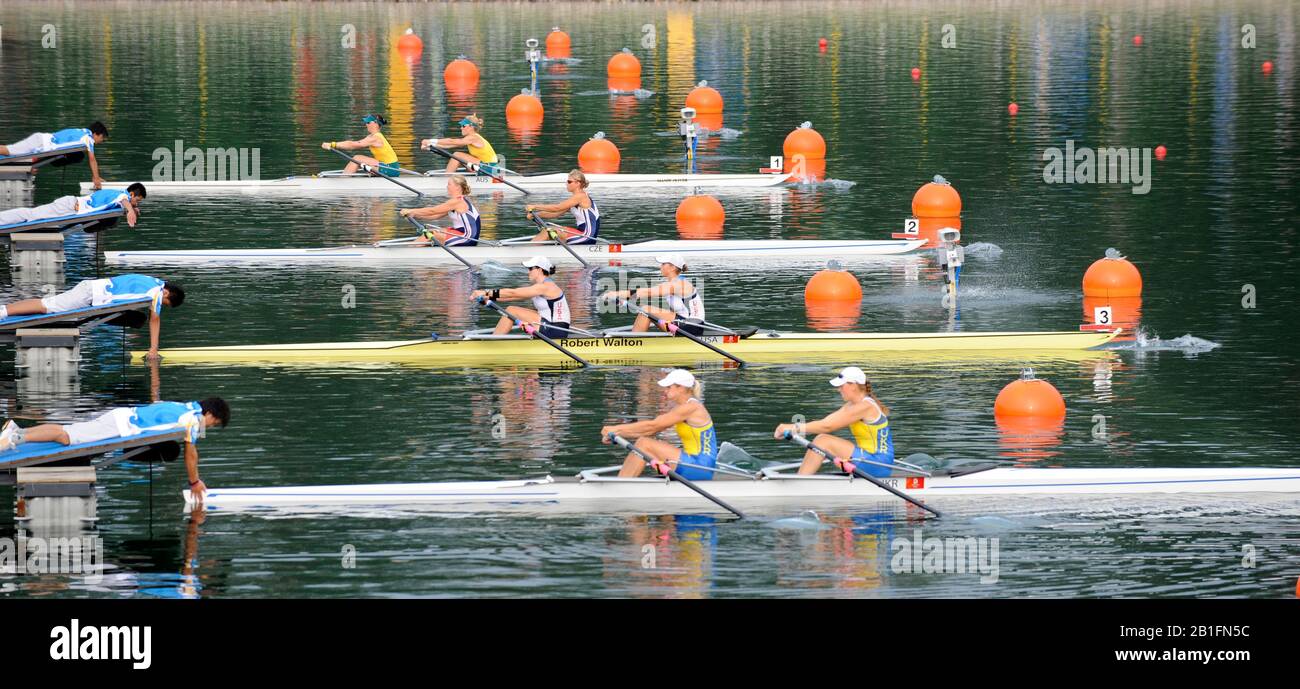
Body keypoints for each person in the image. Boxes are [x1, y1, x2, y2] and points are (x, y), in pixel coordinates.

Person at [1, 398, 230, 501]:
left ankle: (18, 431)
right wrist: (194, 482)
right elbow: (191, 453)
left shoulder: (186, 406)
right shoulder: (194, 419)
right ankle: (17, 435)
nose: (209, 427)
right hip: (120, 426)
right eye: (214, 423)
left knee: (69, 433)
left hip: (122, 417)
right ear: (210, 415)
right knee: (66, 437)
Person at [0, 273, 184, 360]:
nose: (161, 306)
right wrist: (153, 349)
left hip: (92, 293)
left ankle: (5, 311)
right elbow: (155, 320)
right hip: (89, 294)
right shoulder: (156, 292)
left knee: (137, 319)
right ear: (167, 294)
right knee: (46, 307)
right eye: (165, 304)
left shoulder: (154, 281)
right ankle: (4, 311)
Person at [772, 366, 895, 477]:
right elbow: (825, 422)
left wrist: (792, 427)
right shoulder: (852, 405)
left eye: (842, 385)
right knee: (821, 439)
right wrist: (796, 430)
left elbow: (827, 427)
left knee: (823, 440)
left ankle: (800, 483)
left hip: (878, 464)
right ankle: (801, 478)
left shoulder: (865, 406)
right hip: (867, 460)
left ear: (853, 385)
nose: (839, 389)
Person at [600, 369, 718, 480]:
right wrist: (618, 434)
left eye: (668, 387)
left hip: (700, 467)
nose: (665, 390)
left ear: (681, 388)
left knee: (644, 443)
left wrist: (616, 429)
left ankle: (621, 486)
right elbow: (651, 429)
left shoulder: (691, 407)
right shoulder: (683, 407)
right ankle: (625, 482)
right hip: (695, 465)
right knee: (645, 449)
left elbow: (652, 427)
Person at [600, 254, 706, 335]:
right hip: (684, 324)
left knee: (646, 310)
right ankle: (635, 338)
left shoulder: (678, 284)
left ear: (673, 267)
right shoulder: (671, 284)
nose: (661, 266)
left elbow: (646, 292)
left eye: (663, 264)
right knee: (646, 313)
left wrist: (615, 293)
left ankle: (632, 343)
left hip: (692, 326)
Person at [470, 257, 571, 338]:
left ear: (539, 270)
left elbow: (513, 293)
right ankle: (496, 339)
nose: (528, 272)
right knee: (511, 309)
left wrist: (486, 292)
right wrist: (489, 297)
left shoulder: (546, 287)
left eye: (530, 268)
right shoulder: (540, 286)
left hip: (556, 330)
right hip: (550, 326)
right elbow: (510, 298)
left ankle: (494, 343)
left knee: (511, 310)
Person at [1, 122, 107, 189]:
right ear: (96, 134)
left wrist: (30, 166)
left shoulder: (80, 132)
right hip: (40, 142)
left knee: (11, 152)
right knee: (9, 151)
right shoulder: (88, 138)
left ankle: (26, 166)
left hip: (41, 142)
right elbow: (92, 160)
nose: (100, 142)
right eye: (102, 139)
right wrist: (96, 178)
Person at [0, 182, 145, 228]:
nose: (136, 203)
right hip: (69, 207)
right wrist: (130, 211)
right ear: (132, 194)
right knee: (29, 215)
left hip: (69, 205)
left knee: (30, 215)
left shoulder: (117, 195)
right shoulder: (122, 195)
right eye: (137, 200)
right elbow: (124, 200)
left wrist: (132, 209)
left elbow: (120, 203)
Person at [397, 175, 481, 247]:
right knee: (433, 231)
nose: (447, 186)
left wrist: (411, 210)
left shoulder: (457, 201)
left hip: (468, 238)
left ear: (457, 187)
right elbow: (435, 216)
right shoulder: (455, 201)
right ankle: (418, 249)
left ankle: (410, 251)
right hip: (461, 233)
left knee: (430, 234)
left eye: (449, 184)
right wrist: (413, 215)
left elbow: (433, 211)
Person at [525, 169, 600, 244]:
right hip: (581, 234)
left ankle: (527, 252)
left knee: (548, 231)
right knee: (549, 232)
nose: (566, 184)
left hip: (587, 236)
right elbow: (556, 213)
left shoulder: (580, 196)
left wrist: (535, 206)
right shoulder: (575, 199)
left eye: (569, 182)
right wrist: (536, 215)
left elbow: (557, 207)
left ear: (578, 183)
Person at [321, 114, 400, 177]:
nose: (366, 124)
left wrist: (333, 144)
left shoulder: (376, 138)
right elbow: (354, 143)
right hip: (385, 166)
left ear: (376, 123)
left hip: (390, 168)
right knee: (359, 160)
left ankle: (344, 180)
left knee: (357, 158)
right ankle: (345, 178)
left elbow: (352, 145)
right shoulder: (371, 137)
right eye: (366, 123)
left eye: (368, 122)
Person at [423, 115, 499, 174]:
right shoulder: (470, 139)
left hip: (489, 169)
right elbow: (449, 145)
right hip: (484, 167)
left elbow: (452, 141)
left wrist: (430, 140)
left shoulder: (474, 137)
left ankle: (446, 178)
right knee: (457, 157)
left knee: (457, 155)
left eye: (463, 126)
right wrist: (430, 146)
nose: (461, 128)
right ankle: (449, 176)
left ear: (471, 127)